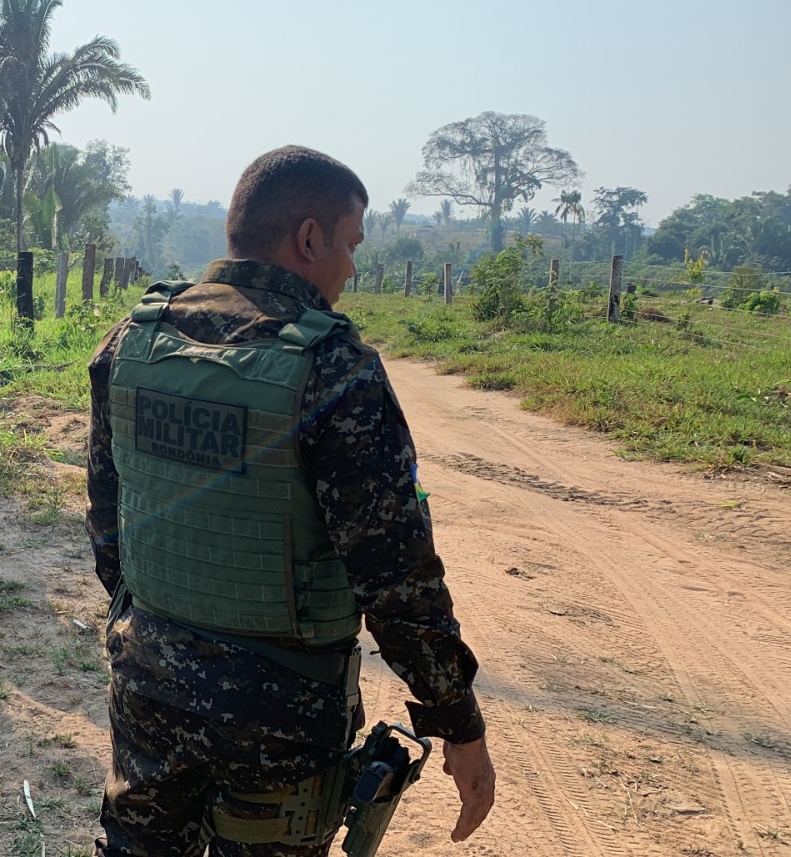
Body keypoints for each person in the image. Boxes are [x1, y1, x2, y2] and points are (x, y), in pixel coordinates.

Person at [85, 146, 496, 855]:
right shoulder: (332, 367)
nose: (352, 267)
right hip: (281, 713)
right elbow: (396, 576)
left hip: (148, 682)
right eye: (352, 243)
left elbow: (108, 517)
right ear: (311, 238)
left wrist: (161, 623)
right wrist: (456, 720)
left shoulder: (133, 339)